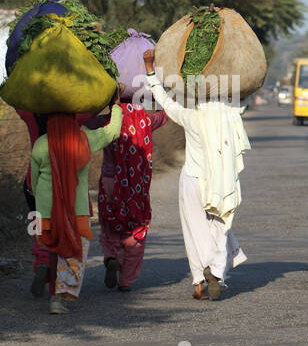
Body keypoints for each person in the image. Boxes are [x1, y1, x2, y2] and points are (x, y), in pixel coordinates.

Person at [141, 48, 249, 301]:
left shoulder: (192, 116)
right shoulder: (231, 117)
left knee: (194, 231)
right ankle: (218, 276)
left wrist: (149, 69)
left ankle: (199, 281)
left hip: (192, 180)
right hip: (221, 182)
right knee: (220, 229)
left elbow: (165, 103)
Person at [29, 104, 124, 314]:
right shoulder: (84, 139)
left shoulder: (40, 144)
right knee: (72, 253)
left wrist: (42, 203)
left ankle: (54, 291)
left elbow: (33, 181)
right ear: (73, 120)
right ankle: (59, 296)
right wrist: (115, 106)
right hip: (77, 212)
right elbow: (113, 131)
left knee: (53, 252)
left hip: (44, 212)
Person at [95, 92, 169, 291]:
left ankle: (112, 256)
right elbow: (165, 115)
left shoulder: (108, 121)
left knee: (110, 223)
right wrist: (158, 97)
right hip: (137, 186)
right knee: (136, 228)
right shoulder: (146, 120)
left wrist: (102, 103)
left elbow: (85, 120)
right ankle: (126, 280)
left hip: (110, 182)